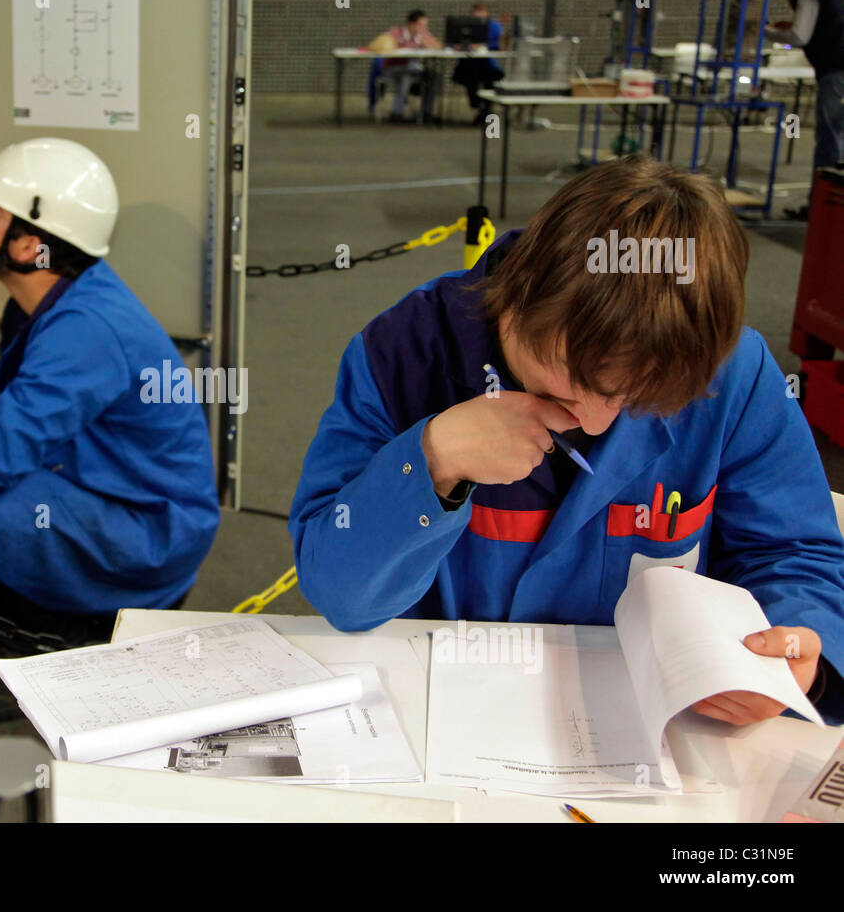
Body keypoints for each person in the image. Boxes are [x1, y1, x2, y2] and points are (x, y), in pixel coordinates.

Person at [289, 156, 844, 727]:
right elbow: (339, 593)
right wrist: (432, 460)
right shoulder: (402, 354)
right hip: (440, 717)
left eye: (636, 399)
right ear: (523, 294)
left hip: (652, 730)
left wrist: (804, 657)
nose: (600, 425)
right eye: (581, 386)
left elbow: (793, 553)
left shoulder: (732, 375)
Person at [0, 138, 220, 722]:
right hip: (118, 497)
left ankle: (64, 642)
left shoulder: (83, 329)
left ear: (30, 244)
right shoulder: (48, 301)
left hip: (150, 537)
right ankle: (66, 607)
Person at [767, 0, 844, 219]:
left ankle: (821, 209)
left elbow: (799, 36)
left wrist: (768, 32)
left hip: (837, 72)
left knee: (830, 143)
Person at [371, 10, 442, 124]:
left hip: (411, 69)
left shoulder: (423, 34)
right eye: (421, 25)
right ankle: (397, 113)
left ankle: (426, 112)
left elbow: (438, 46)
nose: (424, 28)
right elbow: (384, 44)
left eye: (425, 25)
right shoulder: (396, 32)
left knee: (433, 76)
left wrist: (427, 43)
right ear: (411, 24)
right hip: (392, 68)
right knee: (406, 75)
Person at [451, 2, 505, 124]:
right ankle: (479, 107)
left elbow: (499, 45)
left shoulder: (494, 26)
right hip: (467, 65)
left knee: (490, 79)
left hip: (487, 64)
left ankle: (486, 110)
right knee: (469, 79)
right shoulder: (465, 27)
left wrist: (483, 46)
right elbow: (455, 41)